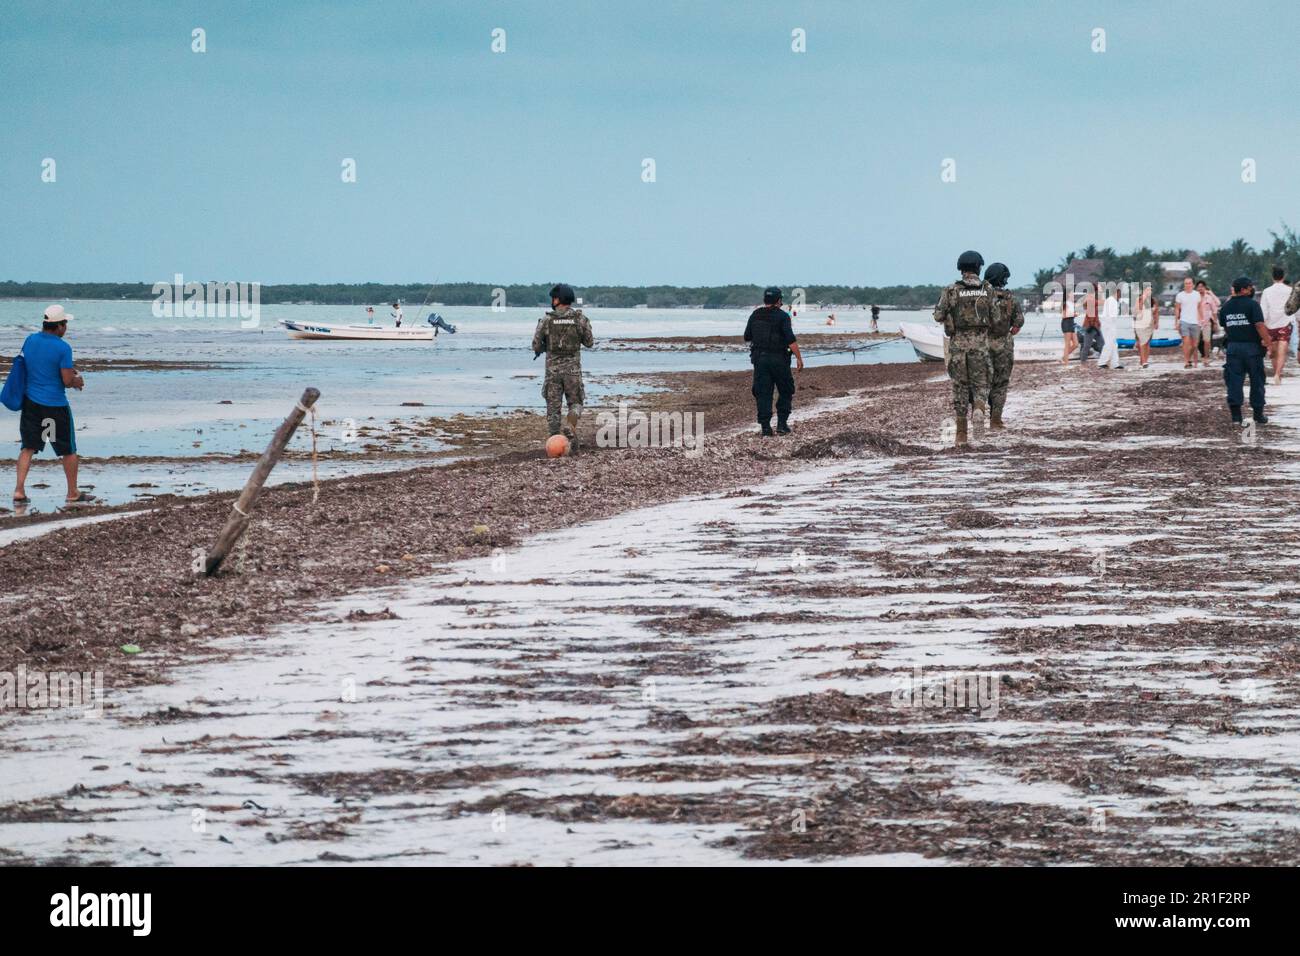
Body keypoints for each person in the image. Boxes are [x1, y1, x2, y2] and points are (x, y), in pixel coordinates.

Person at [13, 305, 95, 508]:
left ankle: (19, 490)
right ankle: (72, 493)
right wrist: (78, 381)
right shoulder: (62, 347)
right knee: (68, 450)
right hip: (55, 406)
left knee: (28, 447)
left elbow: (31, 365)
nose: (66, 327)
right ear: (58, 326)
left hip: (31, 404)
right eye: (65, 323)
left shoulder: (30, 340)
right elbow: (67, 380)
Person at [933, 250, 995, 446]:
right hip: (981, 345)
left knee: (960, 386)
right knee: (981, 383)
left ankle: (961, 434)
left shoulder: (951, 290)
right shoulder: (988, 289)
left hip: (958, 345)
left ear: (960, 268)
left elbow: (938, 315)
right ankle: (978, 408)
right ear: (978, 267)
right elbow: (995, 316)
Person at [531, 283, 594, 446]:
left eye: (554, 298)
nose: (552, 301)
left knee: (553, 408)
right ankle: (571, 424)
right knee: (576, 403)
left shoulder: (546, 320)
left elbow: (536, 345)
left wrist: (545, 347)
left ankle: (554, 442)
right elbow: (589, 342)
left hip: (552, 372)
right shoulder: (580, 319)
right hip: (573, 370)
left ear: (558, 299)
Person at [743, 286, 803, 436]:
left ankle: (765, 427)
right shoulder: (783, 316)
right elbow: (791, 340)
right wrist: (799, 358)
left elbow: (747, 336)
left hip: (760, 359)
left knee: (763, 392)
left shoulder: (755, 315)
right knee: (786, 390)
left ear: (765, 300)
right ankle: (782, 424)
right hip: (779, 360)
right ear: (778, 300)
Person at [1220, 276, 1269, 424]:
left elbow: (1225, 325)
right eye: (1249, 287)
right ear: (1243, 289)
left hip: (1233, 348)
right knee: (1257, 381)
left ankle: (1236, 416)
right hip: (1252, 348)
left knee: (1234, 381)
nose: (1251, 289)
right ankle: (1258, 415)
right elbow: (1259, 325)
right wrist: (1268, 342)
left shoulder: (1226, 307)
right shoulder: (1253, 305)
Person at [983, 262, 1023, 429]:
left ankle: (978, 414)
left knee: (982, 383)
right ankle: (996, 420)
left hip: (982, 344)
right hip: (1003, 346)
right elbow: (1018, 324)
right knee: (1000, 384)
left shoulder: (981, 298)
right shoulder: (1010, 299)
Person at [1259, 265, 1292, 385]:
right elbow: (1295, 307)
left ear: (1272, 277)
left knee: (1273, 352)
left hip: (1270, 324)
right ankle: (1278, 374)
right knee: (1282, 350)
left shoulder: (1266, 291)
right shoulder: (1289, 290)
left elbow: (1263, 310)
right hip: (1285, 322)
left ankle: (1276, 373)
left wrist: (1262, 324)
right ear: (1284, 276)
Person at [1174, 277, 1202, 369]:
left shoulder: (1197, 294)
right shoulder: (1180, 295)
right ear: (1184, 285)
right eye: (1186, 283)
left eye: (1189, 283)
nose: (1188, 285)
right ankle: (1186, 362)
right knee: (1186, 342)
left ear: (1193, 285)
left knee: (1194, 345)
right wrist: (1177, 322)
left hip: (1195, 322)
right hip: (1184, 321)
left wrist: (1201, 319)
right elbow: (1177, 309)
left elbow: (1199, 307)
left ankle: (1189, 358)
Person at [1096, 286, 1125, 370]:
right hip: (1109, 325)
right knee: (1108, 344)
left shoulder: (1111, 300)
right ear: (1116, 292)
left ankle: (1114, 363)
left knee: (1114, 345)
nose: (1121, 295)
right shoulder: (1112, 301)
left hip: (1110, 325)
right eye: (1120, 293)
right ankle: (1102, 362)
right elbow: (1112, 315)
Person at [1195, 279, 1220, 365]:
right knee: (1196, 341)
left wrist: (1216, 323)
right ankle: (1195, 359)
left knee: (1207, 341)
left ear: (1205, 287)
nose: (1200, 288)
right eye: (1198, 287)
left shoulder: (1209, 297)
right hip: (1196, 322)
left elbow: (1215, 310)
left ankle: (1206, 358)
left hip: (1207, 322)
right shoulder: (1194, 297)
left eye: (1202, 287)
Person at [1133, 284, 1158, 369]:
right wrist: (1143, 299)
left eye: (1150, 290)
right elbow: (1137, 310)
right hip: (1140, 323)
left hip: (1149, 324)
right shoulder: (1139, 299)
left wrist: (1157, 322)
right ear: (1143, 291)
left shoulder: (1153, 300)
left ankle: (1144, 360)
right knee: (1142, 343)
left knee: (1147, 343)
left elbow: (1156, 312)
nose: (1149, 291)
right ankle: (1144, 361)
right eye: (1147, 290)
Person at [1077, 287, 1101, 363]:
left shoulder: (1090, 300)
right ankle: (1083, 360)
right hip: (1091, 327)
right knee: (1088, 345)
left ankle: (1105, 359)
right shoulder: (1091, 300)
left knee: (1100, 343)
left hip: (1092, 326)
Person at [1060, 291, 1079, 365]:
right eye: (1071, 293)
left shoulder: (1072, 304)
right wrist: (1074, 314)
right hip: (1066, 323)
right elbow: (1064, 316)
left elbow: (1070, 314)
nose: (1073, 294)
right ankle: (1066, 364)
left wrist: (1074, 314)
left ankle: (1063, 358)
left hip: (1071, 323)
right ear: (1068, 294)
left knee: (1076, 344)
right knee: (1067, 344)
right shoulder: (1065, 303)